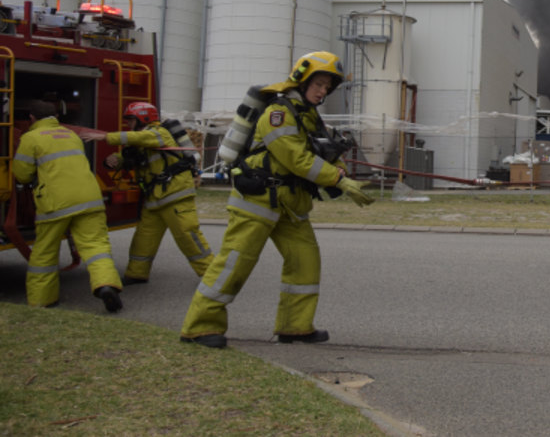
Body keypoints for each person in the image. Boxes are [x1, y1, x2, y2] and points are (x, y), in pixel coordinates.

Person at [179, 51, 375, 349]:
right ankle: (198, 327)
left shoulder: (308, 114)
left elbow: (323, 152)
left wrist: (343, 173)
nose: (323, 92)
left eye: (327, 87)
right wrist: (339, 180)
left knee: (305, 262)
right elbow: (296, 157)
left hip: (291, 204)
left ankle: (295, 327)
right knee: (233, 265)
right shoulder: (278, 113)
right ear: (302, 78)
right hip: (257, 202)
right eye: (319, 84)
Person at [79, 102, 213, 284]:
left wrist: (105, 137)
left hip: (175, 195)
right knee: (143, 238)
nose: (128, 124)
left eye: (130, 120)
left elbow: (142, 139)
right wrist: (115, 161)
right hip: (154, 198)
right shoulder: (143, 138)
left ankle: (213, 276)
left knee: (188, 236)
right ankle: (136, 273)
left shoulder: (159, 133)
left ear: (143, 118)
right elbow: (134, 156)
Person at [12, 100, 123, 311]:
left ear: (32, 118)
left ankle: (42, 301)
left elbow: (22, 174)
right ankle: (106, 285)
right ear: (56, 116)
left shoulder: (30, 137)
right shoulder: (71, 135)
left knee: (44, 253)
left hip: (55, 203)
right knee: (96, 247)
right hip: (90, 198)